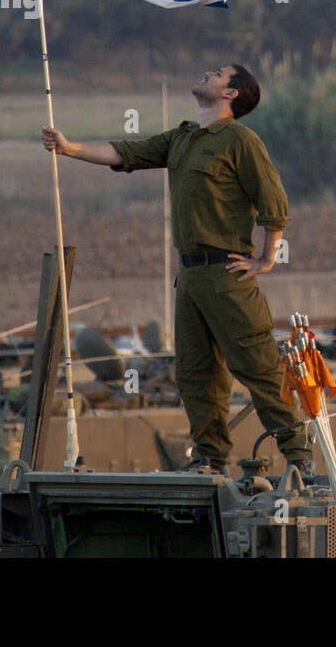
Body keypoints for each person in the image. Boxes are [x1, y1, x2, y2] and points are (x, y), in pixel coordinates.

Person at [42, 65, 313, 478]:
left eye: (218, 73)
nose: (208, 73)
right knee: (195, 374)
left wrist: (267, 256)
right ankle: (210, 458)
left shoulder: (241, 140)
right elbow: (127, 154)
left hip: (228, 275)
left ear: (232, 94)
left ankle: (300, 460)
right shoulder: (183, 138)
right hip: (189, 277)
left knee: (258, 368)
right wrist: (69, 148)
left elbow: (273, 198)